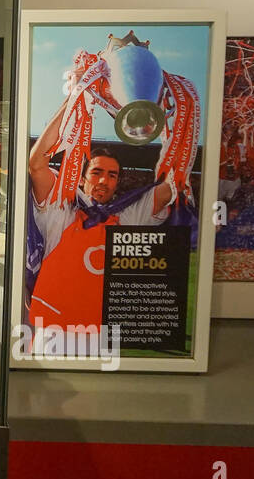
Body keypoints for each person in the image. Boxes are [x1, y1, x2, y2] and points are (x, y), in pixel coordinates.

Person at [27, 102, 175, 330]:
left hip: (102, 330)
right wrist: (75, 99)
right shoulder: (61, 211)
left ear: (118, 183)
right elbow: (37, 164)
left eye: (112, 175)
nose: (104, 181)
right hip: (53, 328)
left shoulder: (128, 216)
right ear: (82, 178)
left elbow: (172, 186)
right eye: (96, 173)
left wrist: (169, 121)